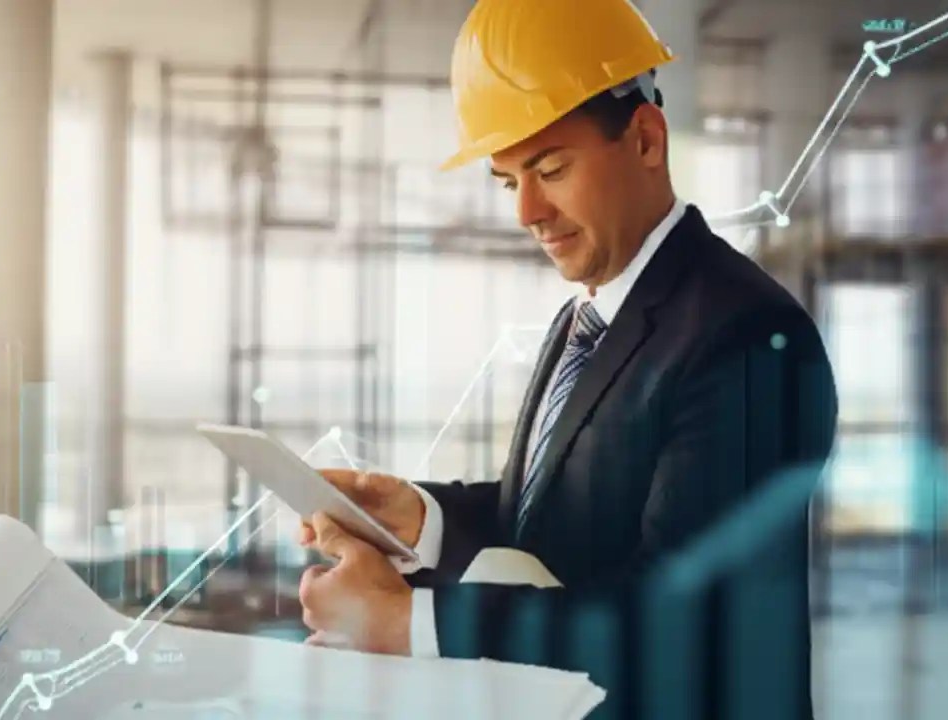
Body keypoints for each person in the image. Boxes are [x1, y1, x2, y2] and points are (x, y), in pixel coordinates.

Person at [297, 1, 838, 718]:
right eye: (507, 180)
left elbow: (679, 618)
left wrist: (409, 625)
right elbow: (558, 520)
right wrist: (422, 517)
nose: (526, 211)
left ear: (646, 139)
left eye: (550, 168)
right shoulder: (586, 317)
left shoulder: (746, 335)